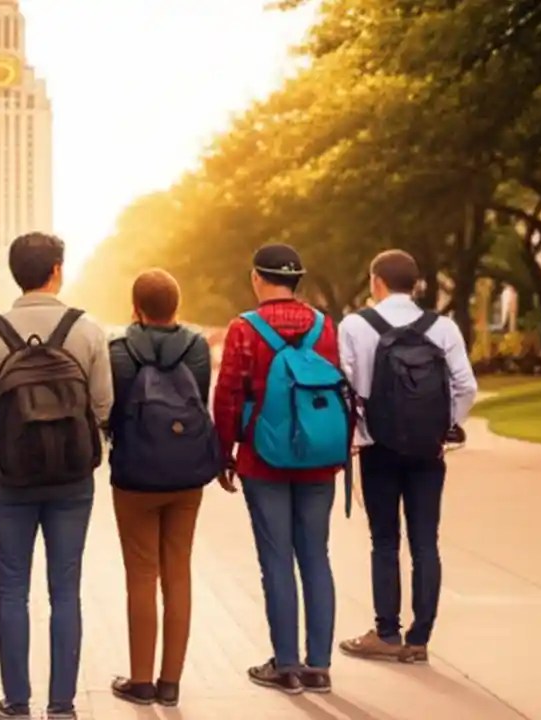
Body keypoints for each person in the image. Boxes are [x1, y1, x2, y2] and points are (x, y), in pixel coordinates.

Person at [0, 233, 113, 720]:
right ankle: (62, 705)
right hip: (72, 481)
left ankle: (15, 702)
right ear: (57, 270)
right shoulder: (87, 330)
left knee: (11, 589)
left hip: (11, 481)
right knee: (64, 590)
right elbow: (103, 406)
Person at [212, 244, 350, 695]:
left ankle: (286, 665)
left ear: (257, 278)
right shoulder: (324, 326)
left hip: (262, 458)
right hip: (318, 459)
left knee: (276, 559)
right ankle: (321, 665)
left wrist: (225, 452)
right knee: (316, 556)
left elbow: (229, 394)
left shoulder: (244, 329)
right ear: (298, 281)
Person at [337, 250, 477, 664]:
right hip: (427, 450)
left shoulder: (355, 325)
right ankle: (420, 638)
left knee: (384, 540)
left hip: (377, 447)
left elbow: (345, 386)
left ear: (375, 281)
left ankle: (386, 633)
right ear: (415, 284)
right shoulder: (443, 327)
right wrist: (445, 427)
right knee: (425, 542)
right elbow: (466, 385)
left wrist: (359, 434)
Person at [106, 269, 216, 708]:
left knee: (141, 576)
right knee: (178, 572)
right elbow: (202, 398)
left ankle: (140, 681)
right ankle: (170, 682)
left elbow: (108, 412)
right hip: (187, 474)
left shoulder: (119, 350)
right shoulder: (197, 348)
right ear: (177, 306)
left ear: (135, 307)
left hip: (135, 476)